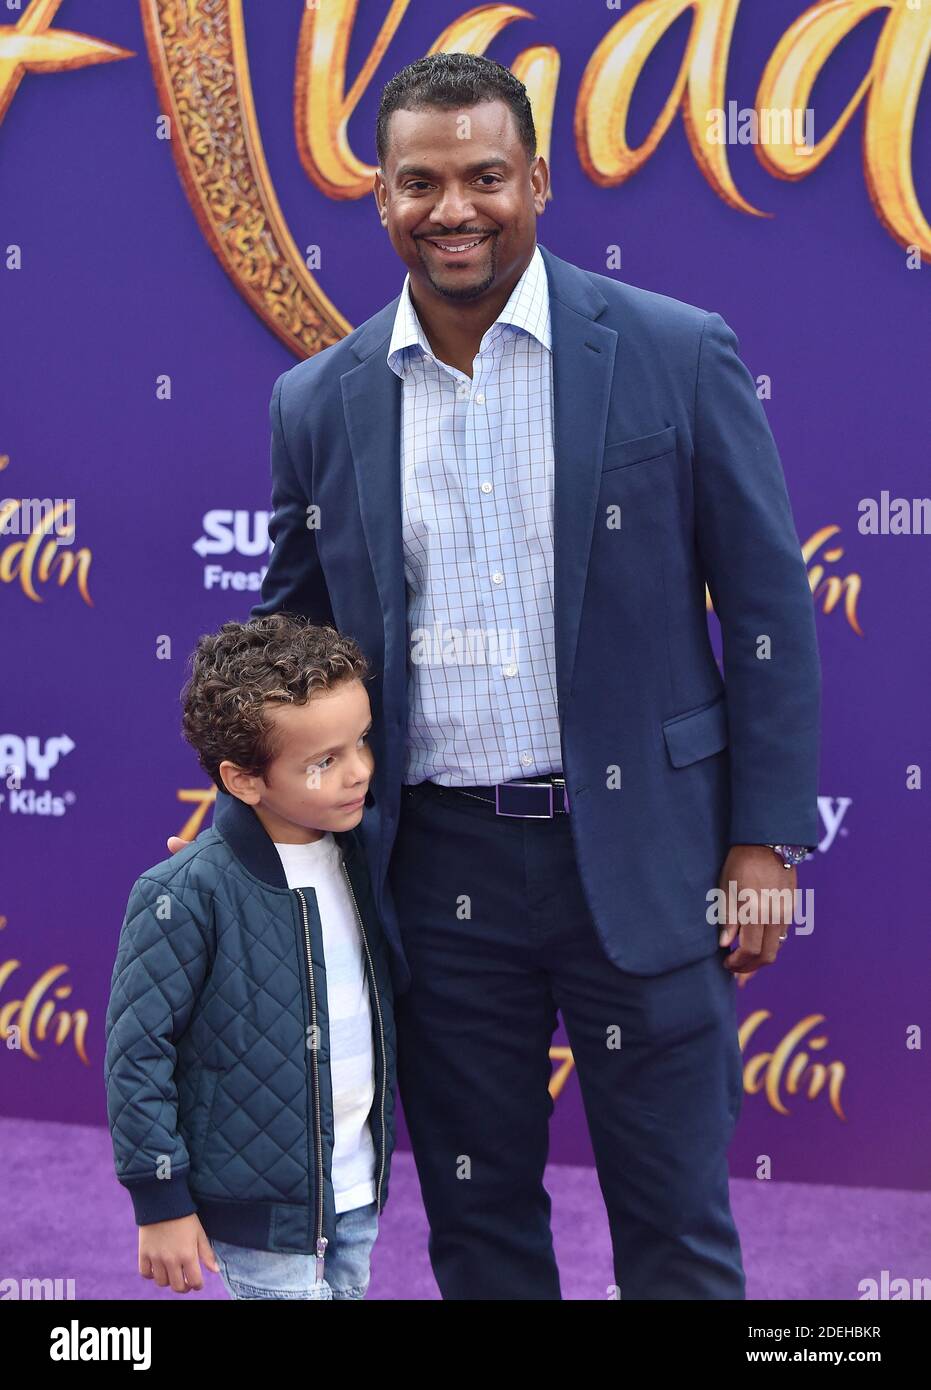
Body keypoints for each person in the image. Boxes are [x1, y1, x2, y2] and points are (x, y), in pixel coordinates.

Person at [174, 52, 820, 1299]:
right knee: (478, 1238)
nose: (452, 207)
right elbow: (292, 633)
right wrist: (243, 851)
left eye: (483, 176)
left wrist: (763, 842)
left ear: (536, 180)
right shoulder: (318, 401)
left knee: (678, 1235)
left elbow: (766, 614)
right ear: (383, 198)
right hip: (438, 874)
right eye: (421, 182)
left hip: (652, 854)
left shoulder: (674, 353)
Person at [105, 613, 396, 1299]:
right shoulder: (183, 892)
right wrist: (160, 1200)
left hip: (355, 1190)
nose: (358, 772)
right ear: (242, 780)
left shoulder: (368, 857)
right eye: (324, 762)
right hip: (254, 1213)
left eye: (361, 743)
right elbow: (136, 1055)